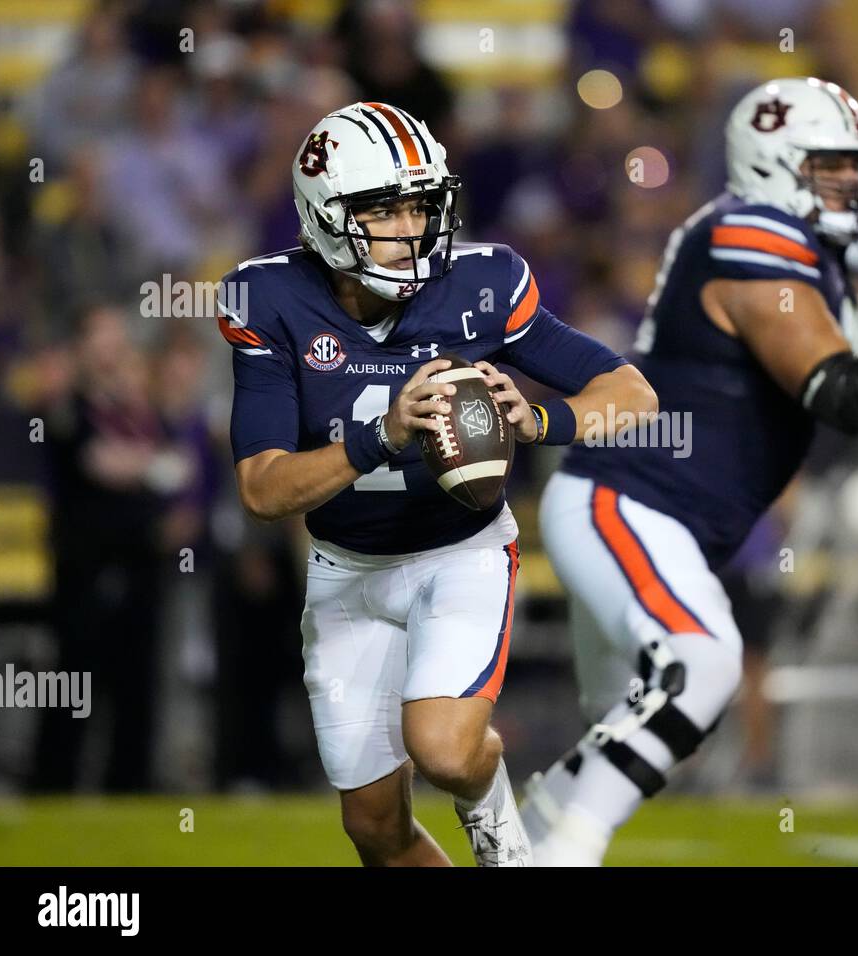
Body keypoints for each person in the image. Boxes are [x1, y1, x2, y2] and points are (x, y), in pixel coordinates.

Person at [522, 77, 858, 865]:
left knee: (635, 722)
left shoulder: (802, 250)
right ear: (771, 165)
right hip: (626, 497)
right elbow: (847, 394)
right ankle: (562, 858)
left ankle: (533, 837)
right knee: (703, 664)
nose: (853, 184)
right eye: (831, 167)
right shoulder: (750, 239)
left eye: (857, 168)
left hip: (660, 516)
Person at [218, 101, 656, 866]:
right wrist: (381, 435)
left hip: (461, 556)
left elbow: (632, 394)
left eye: (420, 206)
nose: (411, 227)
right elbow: (262, 489)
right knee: (375, 830)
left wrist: (542, 421)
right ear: (326, 217)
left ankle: (508, 850)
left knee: (447, 751)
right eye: (384, 210)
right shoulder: (269, 300)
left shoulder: (481, 283)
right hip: (344, 572)